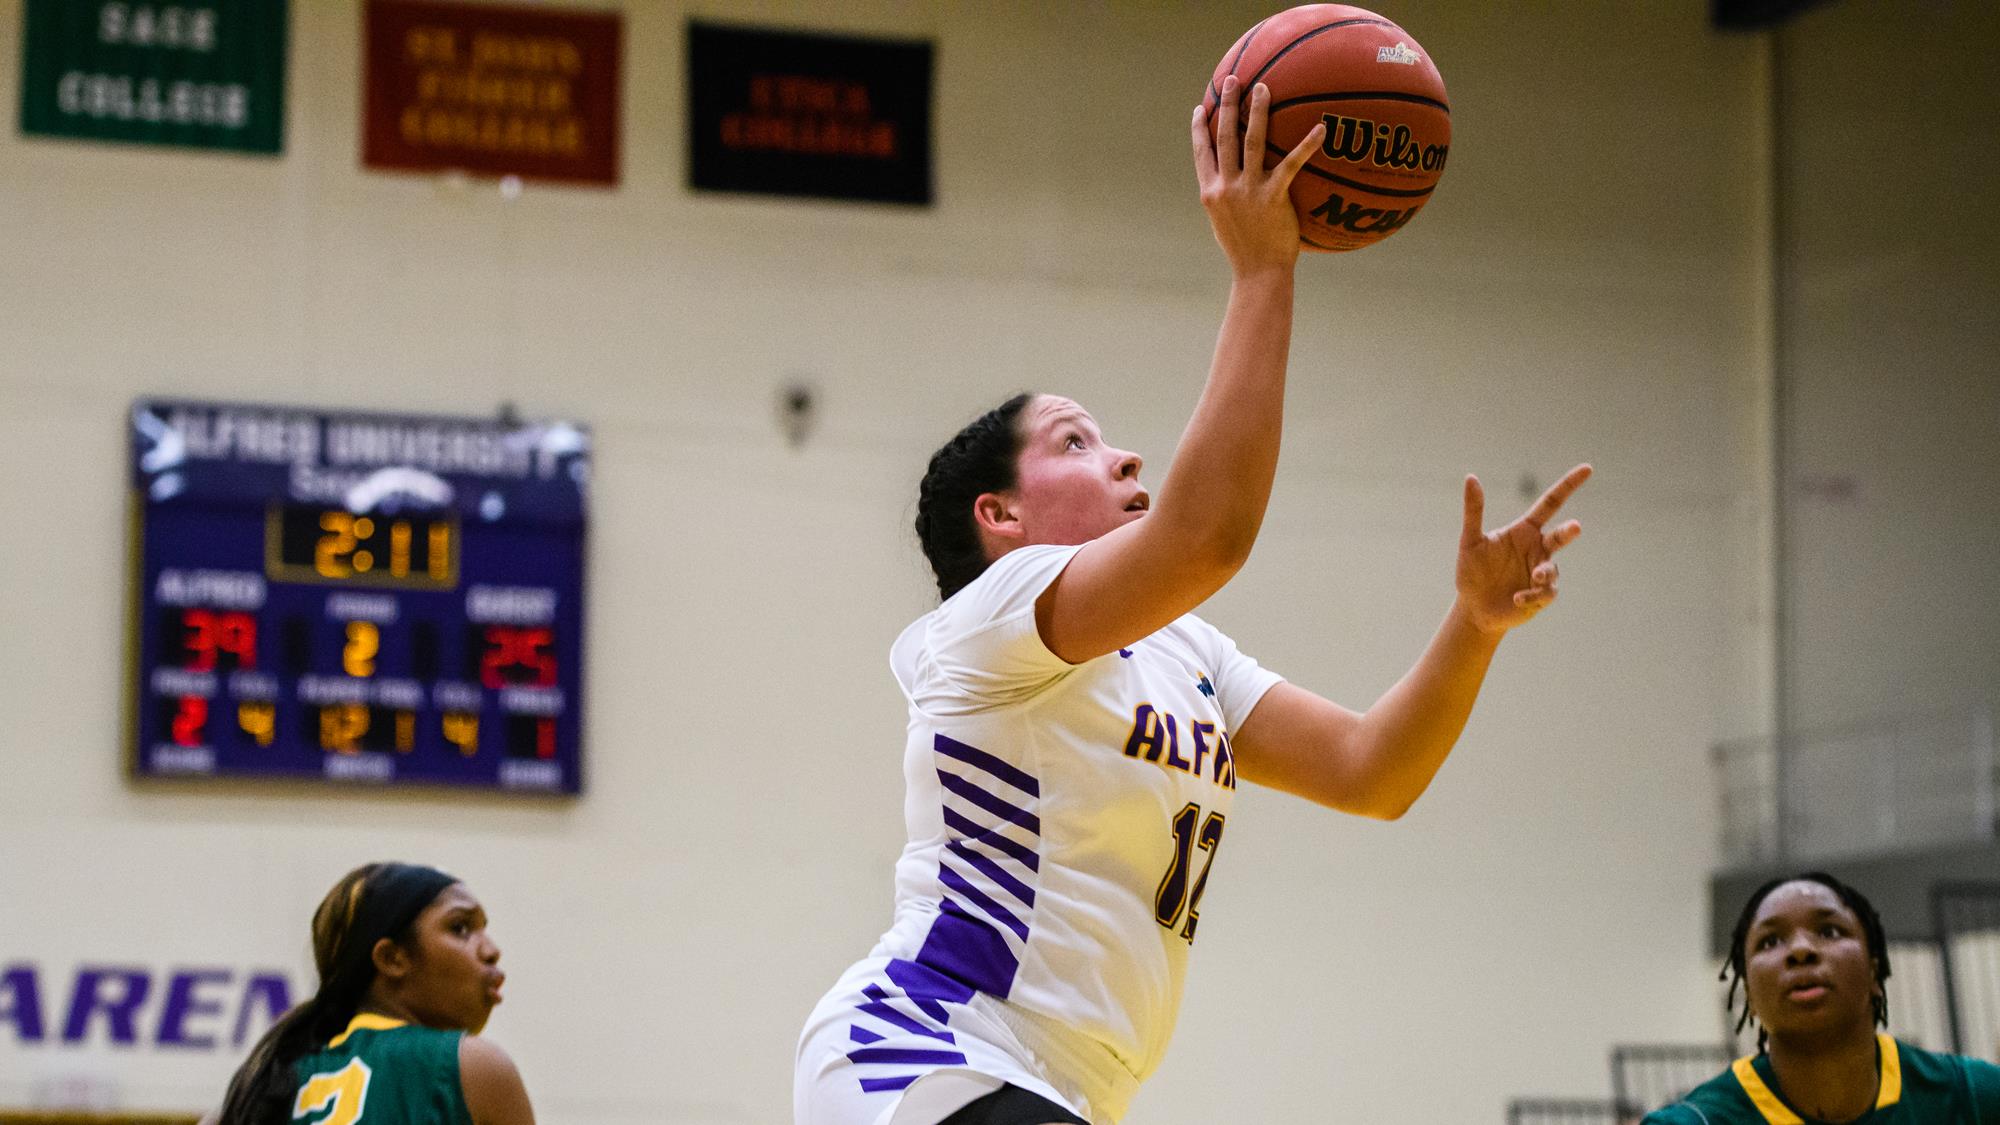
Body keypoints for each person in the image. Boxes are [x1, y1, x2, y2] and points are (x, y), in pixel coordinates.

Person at [794, 73, 1591, 1125]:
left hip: (1062, 1086)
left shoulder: (1188, 653)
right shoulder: (988, 619)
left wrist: (1474, 627)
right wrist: (1264, 271)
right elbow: (1207, 536)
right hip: (930, 1052)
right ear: (1001, 517)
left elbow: (1370, 772)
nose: (1124, 454)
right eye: (1074, 442)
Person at [1643, 872, 2000, 1123]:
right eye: (1770, 941)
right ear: (1749, 995)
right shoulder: (1698, 1121)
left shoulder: (1975, 1098)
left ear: (1874, 972)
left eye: (1830, 931)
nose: (1800, 950)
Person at [204, 862, 534, 1125]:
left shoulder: (255, 1093)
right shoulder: (473, 1067)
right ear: (392, 959)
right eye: (460, 928)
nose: (491, 950)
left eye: (483, 929)